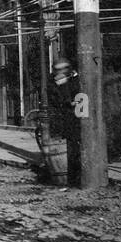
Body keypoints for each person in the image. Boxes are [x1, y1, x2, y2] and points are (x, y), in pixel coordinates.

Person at [46, 57, 82, 186]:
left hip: (77, 115)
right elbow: (61, 97)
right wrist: (69, 102)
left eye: (63, 69)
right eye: (58, 69)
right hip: (65, 117)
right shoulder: (57, 80)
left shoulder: (73, 77)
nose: (61, 72)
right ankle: (72, 176)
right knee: (70, 147)